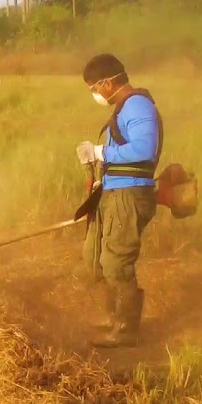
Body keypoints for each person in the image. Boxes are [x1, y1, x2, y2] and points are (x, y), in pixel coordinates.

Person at [75, 54, 162, 349]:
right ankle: (115, 318)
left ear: (107, 83)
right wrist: (102, 176)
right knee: (95, 255)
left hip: (129, 195)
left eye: (94, 89)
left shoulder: (138, 105)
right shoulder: (123, 108)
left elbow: (144, 149)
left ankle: (126, 330)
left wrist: (100, 153)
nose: (95, 95)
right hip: (113, 191)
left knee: (116, 260)